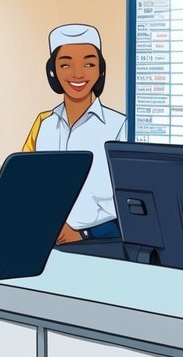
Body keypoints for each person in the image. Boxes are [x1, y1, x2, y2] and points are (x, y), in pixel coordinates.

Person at [22, 23, 128, 243]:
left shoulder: (120, 127)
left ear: (101, 70)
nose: (78, 74)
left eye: (89, 64)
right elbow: (27, 190)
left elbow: (132, 208)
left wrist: (83, 234)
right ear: (52, 71)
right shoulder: (44, 124)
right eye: (65, 65)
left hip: (102, 246)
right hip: (44, 242)